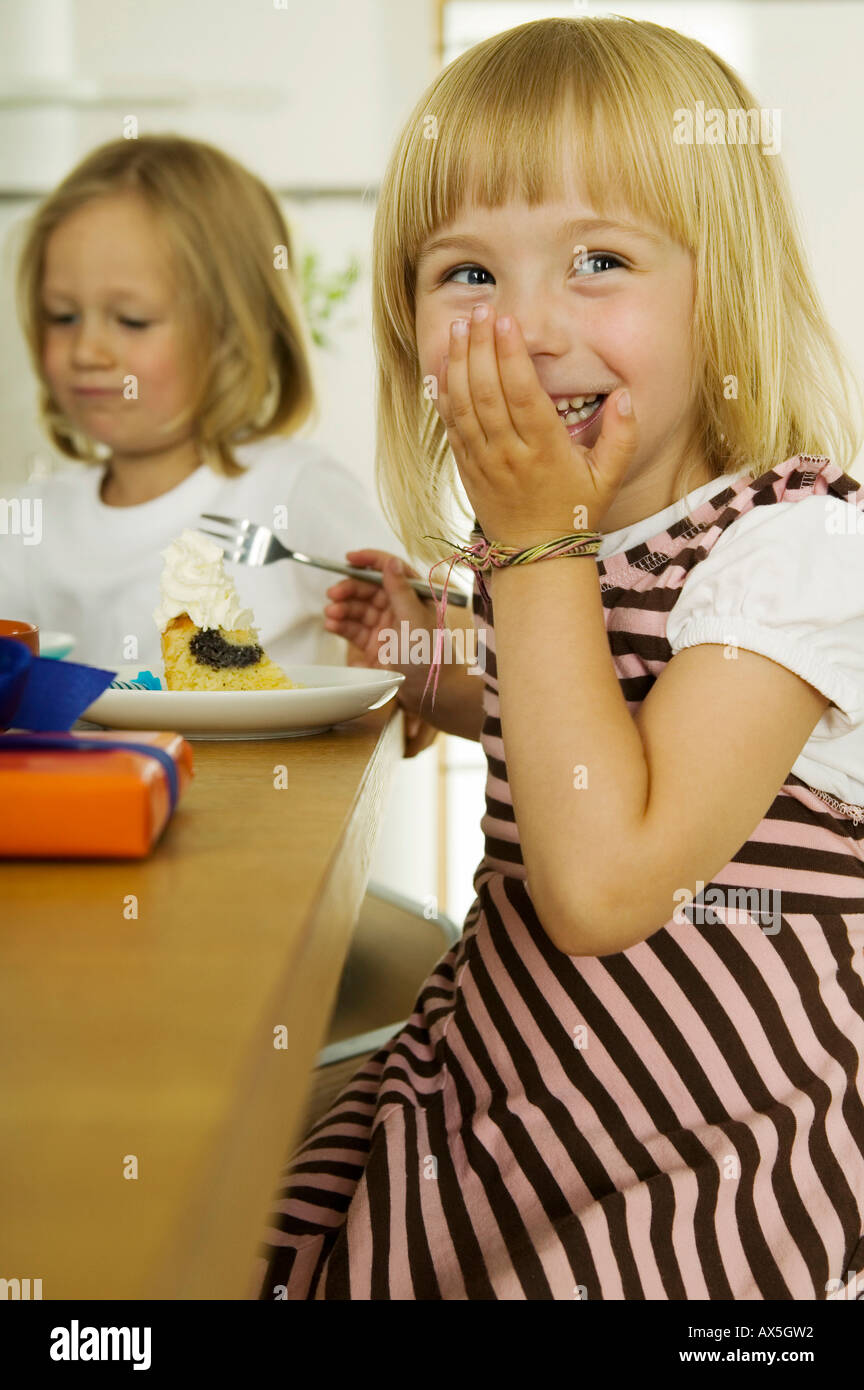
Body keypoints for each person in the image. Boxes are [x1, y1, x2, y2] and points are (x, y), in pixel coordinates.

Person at [257, 15, 864, 1300]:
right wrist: (441, 669)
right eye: (466, 274)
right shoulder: (571, 539)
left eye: (598, 259)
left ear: (726, 290)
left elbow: (604, 882)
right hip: (521, 1078)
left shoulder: (801, 553)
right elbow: (610, 723)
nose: (526, 326)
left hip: (702, 1148)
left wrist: (536, 552)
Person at [0, 134, 410, 696]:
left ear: (231, 337)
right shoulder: (27, 521)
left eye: (132, 320)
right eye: (63, 316)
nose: (87, 351)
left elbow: (416, 635)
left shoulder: (291, 492)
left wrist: (410, 677)